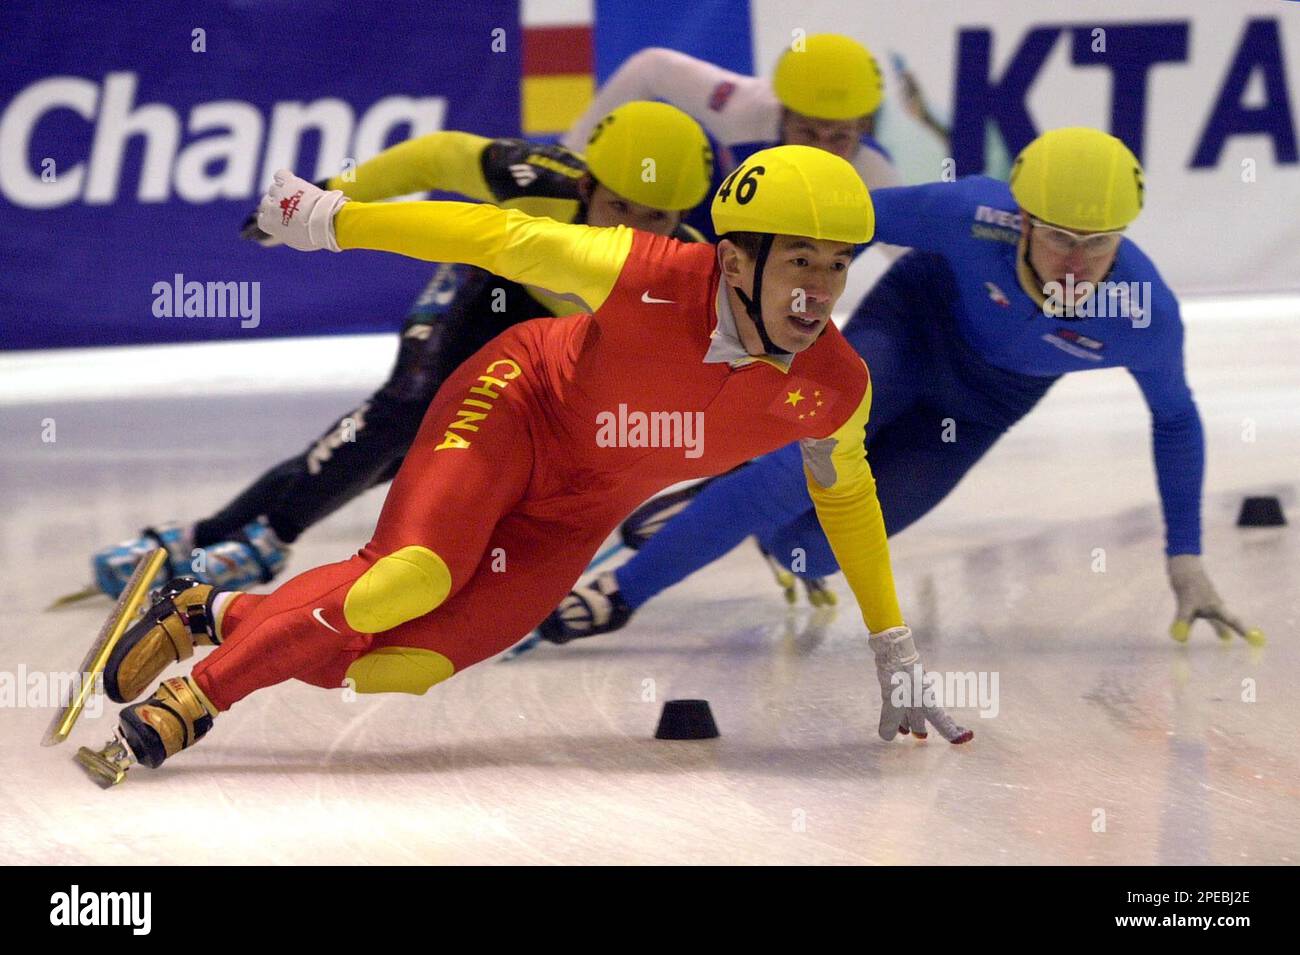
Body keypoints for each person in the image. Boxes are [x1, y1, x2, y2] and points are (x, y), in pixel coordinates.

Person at [78, 144, 974, 787]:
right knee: (405, 579)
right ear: (737, 259)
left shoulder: (835, 386)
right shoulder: (643, 270)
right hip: (514, 407)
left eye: (840, 265)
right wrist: (332, 219)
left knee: (400, 666)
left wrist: (892, 648)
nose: (820, 289)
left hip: (573, 514)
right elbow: (492, 236)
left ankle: (213, 609)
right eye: (801, 262)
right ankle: (196, 696)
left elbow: (848, 500)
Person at [540, 127, 1265, 649]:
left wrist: (1186, 557)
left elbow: (1175, 419)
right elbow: (828, 220)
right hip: (908, 333)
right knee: (798, 471)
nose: (1076, 261)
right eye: (1057, 237)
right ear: (1018, 219)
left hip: (985, 406)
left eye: (1097, 242)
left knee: (810, 554)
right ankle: (620, 593)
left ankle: (742, 484)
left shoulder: (1142, 312)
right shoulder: (968, 215)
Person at [87, 102, 712, 598]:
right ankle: (268, 538)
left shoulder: (691, 280)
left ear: (683, 215)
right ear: (583, 181)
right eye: (615, 208)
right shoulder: (531, 178)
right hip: (486, 293)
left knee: (397, 456)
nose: (626, 233)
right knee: (406, 409)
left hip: (544, 337)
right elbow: (435, 157)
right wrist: (332, 192)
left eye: (651, 218)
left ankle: (202, 537)